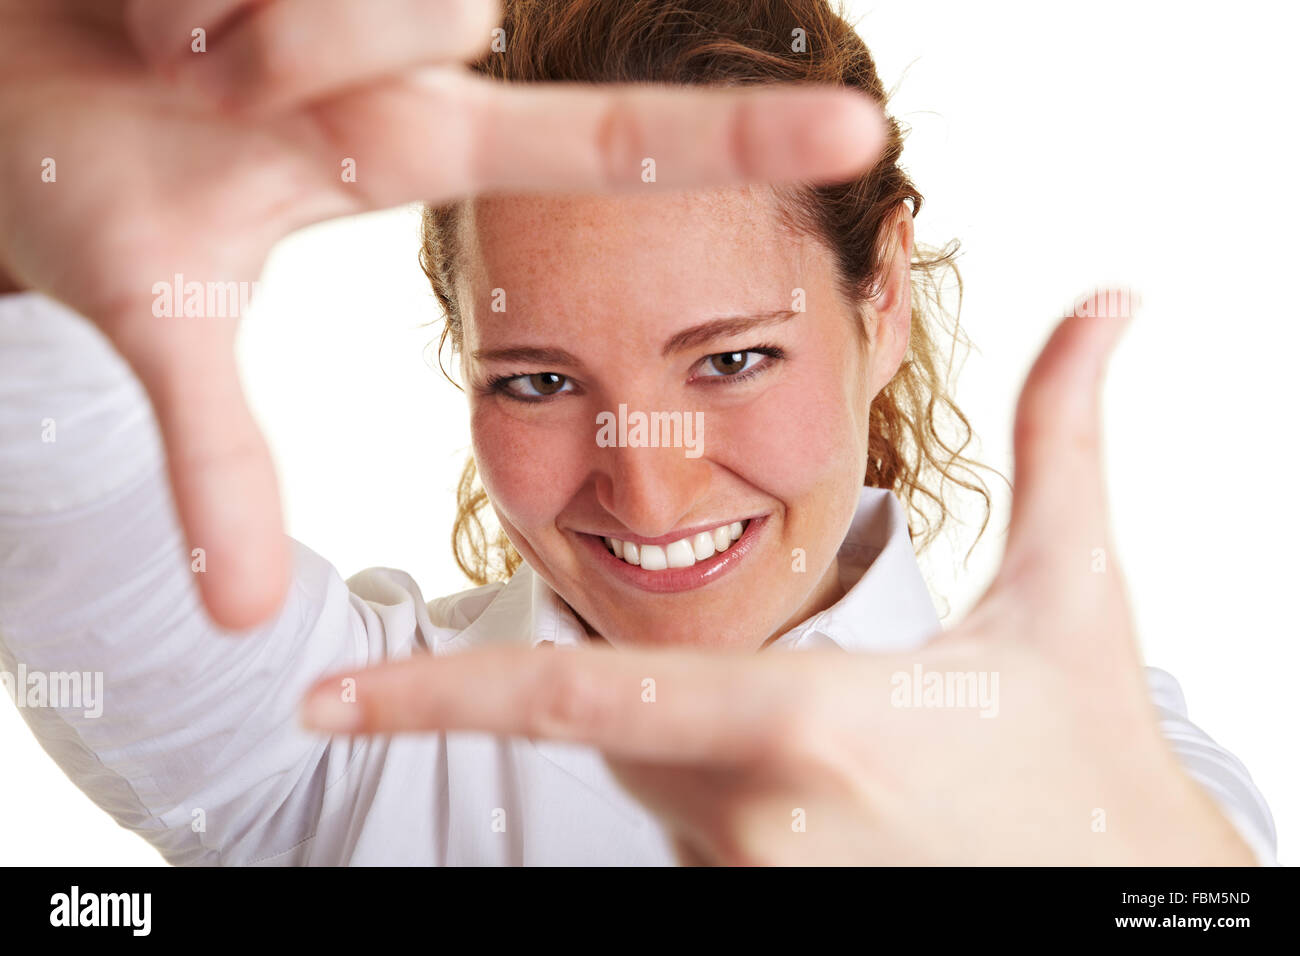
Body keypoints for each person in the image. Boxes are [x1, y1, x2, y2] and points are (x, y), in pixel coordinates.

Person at [0, 0, 1277, 865]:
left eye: (731, 358)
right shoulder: (339, 746)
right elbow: (84, 532)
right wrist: (28, 245)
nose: (650, 496)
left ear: (880, 299)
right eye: (539, 383)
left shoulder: (1111, 759)